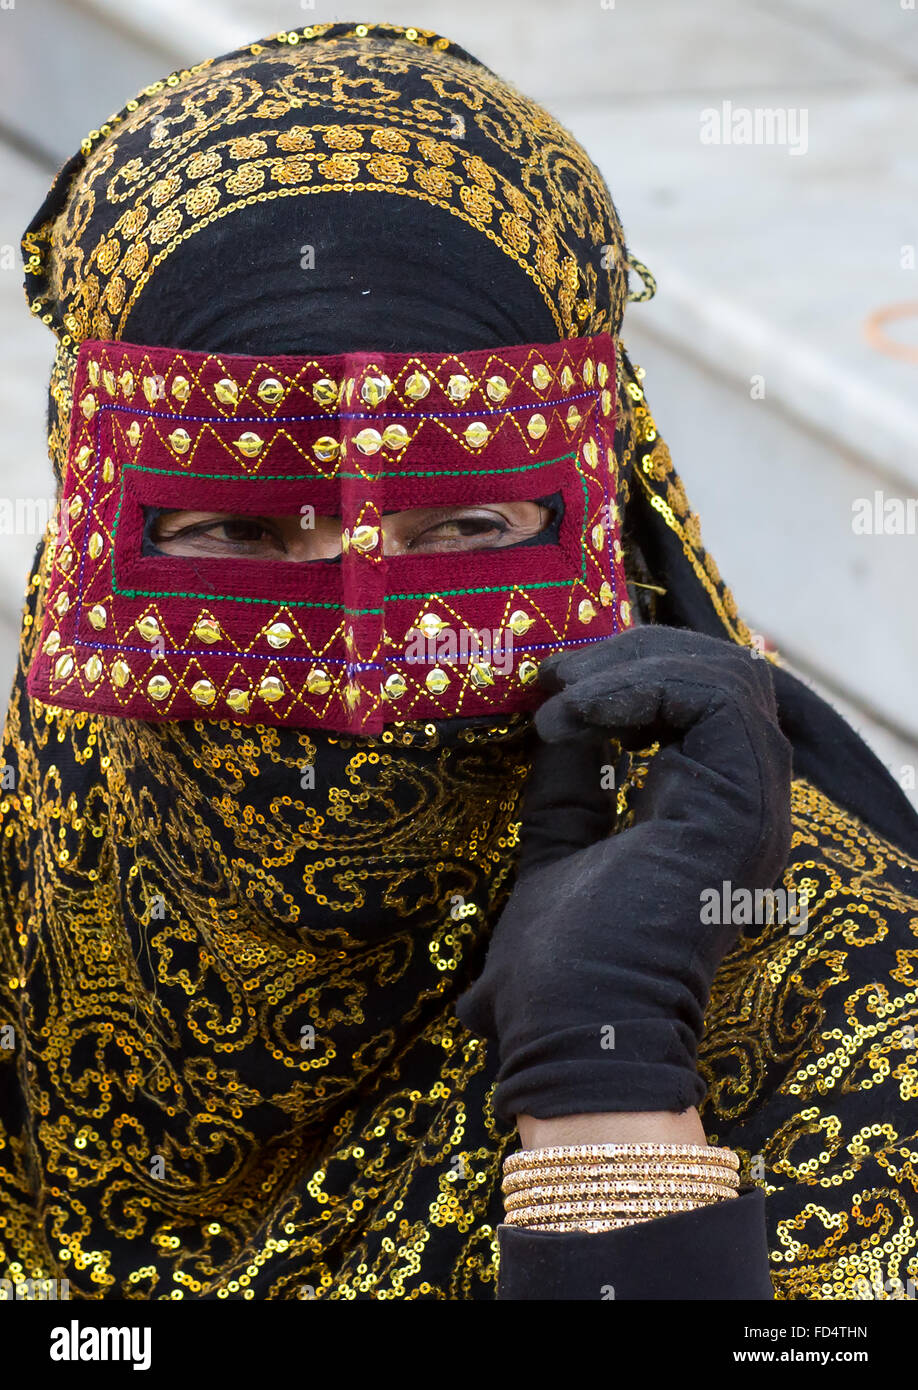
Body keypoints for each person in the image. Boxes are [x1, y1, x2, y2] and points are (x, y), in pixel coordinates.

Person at [1, 20, 916, 1302]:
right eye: (238, 532)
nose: (356, 688)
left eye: (465, 530)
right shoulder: (29, 893)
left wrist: (608, 1091)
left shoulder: (836, 992)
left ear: (601, 508)